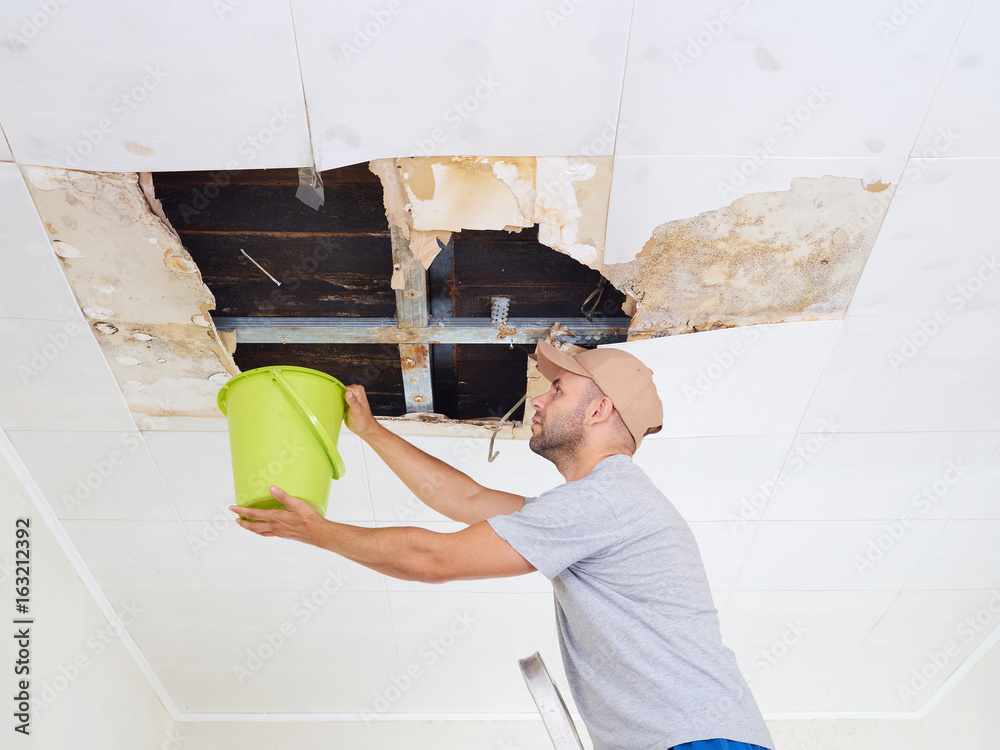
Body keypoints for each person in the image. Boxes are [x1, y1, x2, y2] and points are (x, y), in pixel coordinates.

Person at [230, 340, 774, 750]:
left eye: (558, 390)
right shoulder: (594, 507)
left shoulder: (604, 501)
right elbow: (462, 497)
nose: (539, 398)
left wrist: (315, 531)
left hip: (700, 740)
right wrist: (370, 431)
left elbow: (434, 560)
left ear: (599, 410)